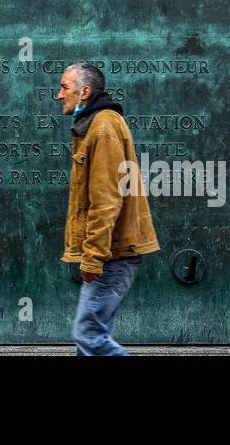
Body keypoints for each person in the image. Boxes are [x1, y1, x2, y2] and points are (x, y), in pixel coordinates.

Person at [57, 61, 160, 355]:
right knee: (92, 336)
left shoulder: (102, 128)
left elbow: (106, 201)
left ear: (84, 92)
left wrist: (93, 258)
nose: (59, 94)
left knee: (88, 335)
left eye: (65, 87)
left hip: (113, 255)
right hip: (112, 254)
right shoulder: (94, 125)